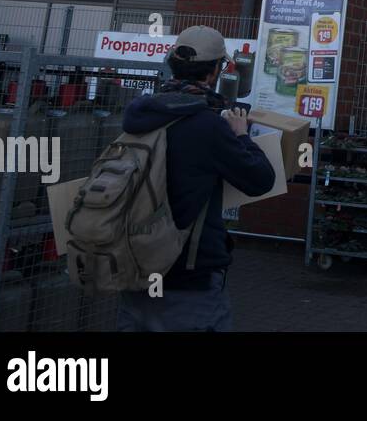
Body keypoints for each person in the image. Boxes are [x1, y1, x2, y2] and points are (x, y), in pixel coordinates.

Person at [116, 26, 276, 331]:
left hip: (136, 267)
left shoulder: (139, 116)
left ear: (172, 62)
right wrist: (242, 135)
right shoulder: (208, 126)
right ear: (214, 72)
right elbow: (260, 179)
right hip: (188, 277)